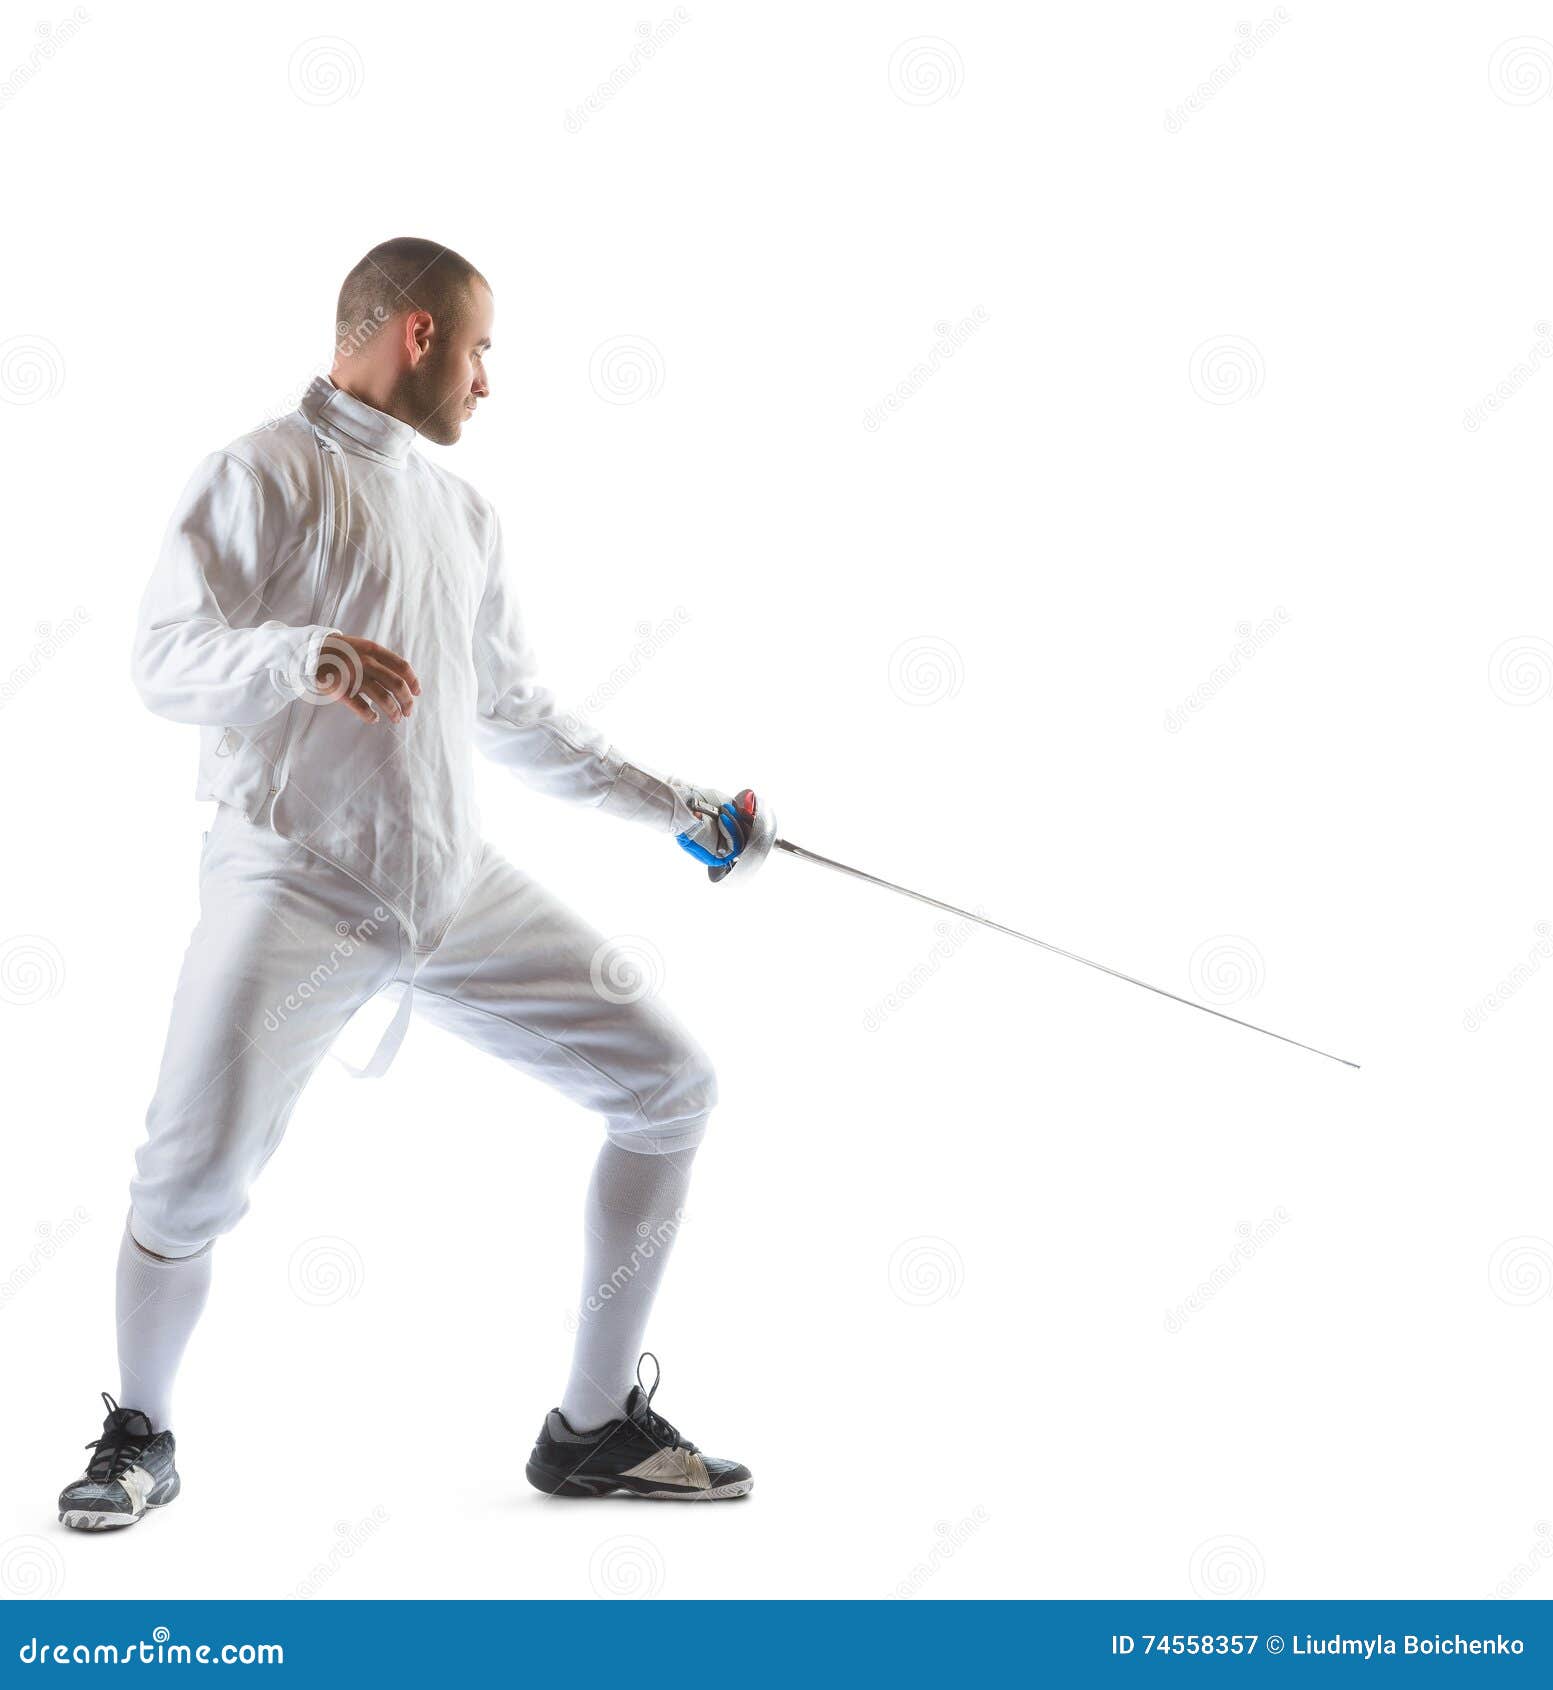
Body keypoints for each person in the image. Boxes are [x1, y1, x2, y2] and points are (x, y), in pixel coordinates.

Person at [56, 238, 754, 1529]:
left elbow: (520, 717)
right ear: (421, 334)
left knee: (670, 1083)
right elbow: (162, 657)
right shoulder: (259, 468)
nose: (490, 382)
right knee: (187, 1177)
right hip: (297, 884)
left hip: (449, 885)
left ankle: (591, 1427)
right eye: (482, 349)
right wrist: (300, 654)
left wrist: (682, 808)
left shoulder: (461, 514)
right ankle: (139, 1431)